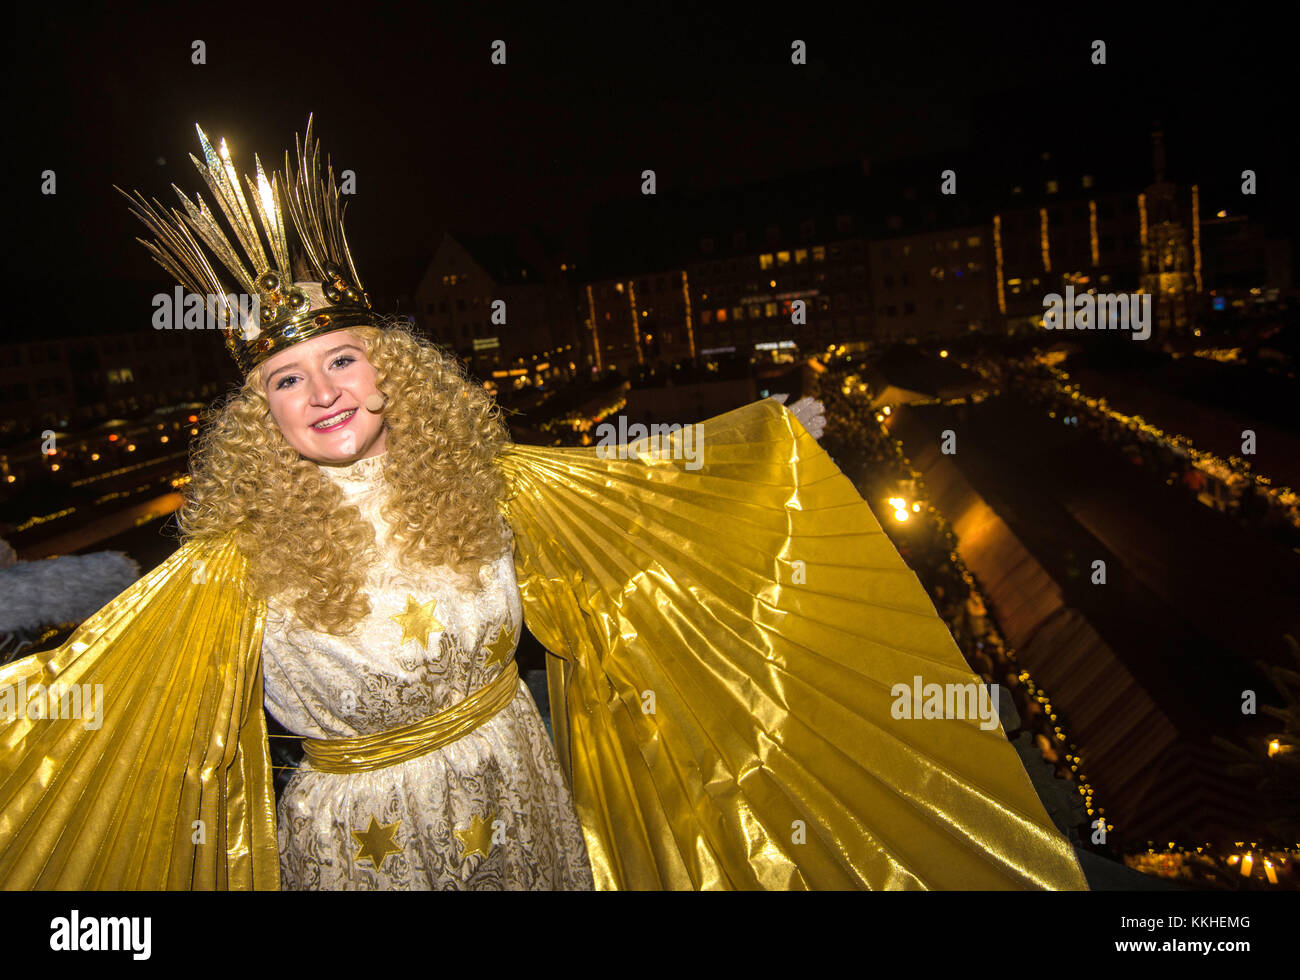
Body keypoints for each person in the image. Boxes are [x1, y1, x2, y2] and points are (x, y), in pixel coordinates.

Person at [0, 116, 1088, 890]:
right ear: (257, 414)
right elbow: (110, 649)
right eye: (286, 379)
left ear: (393, 369)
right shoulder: (228, 554)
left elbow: (635, 492)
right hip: (365, 835)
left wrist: (759, 450)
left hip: (517, 776)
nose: (321, 392)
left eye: (342, 360)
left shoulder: (486, 477)